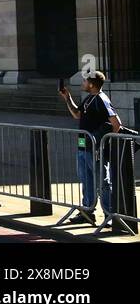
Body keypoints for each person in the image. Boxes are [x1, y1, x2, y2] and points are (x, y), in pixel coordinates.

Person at [60, 70, 124, 226]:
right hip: (83, 146)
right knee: (86, 180)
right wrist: (67, 98)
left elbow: (117, 124)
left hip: (94, 149)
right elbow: (77, 114)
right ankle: (88, 212)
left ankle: (109, 215)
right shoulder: (90, 98)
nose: (82, 83)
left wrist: (102, 144)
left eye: (84, 81)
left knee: (103, 182)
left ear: (92, 84)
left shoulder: (102, 99)